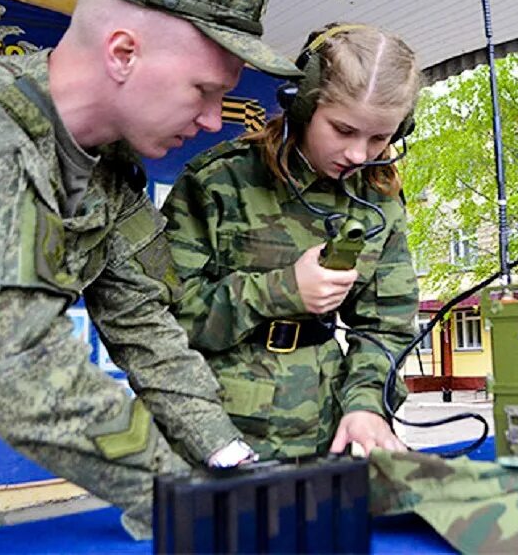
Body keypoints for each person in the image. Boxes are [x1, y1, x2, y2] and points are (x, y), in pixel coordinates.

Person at [0, 0, 300, 539]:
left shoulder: (109, 174)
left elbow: (145, 328)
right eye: (205, 91)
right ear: (123, 53)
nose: (213, 120)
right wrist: (177, 494)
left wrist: (228, 458)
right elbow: (23, 371)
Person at [161, 24, 421, 459]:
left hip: (324, 435)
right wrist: (283, 289)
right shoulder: (219, 182)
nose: (359, 154)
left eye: (379, 138)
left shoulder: (378, 202)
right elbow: (164, 321)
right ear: (302, 105)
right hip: (214, 433)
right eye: (343, 129)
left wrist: (366, 406)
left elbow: (386, 326)